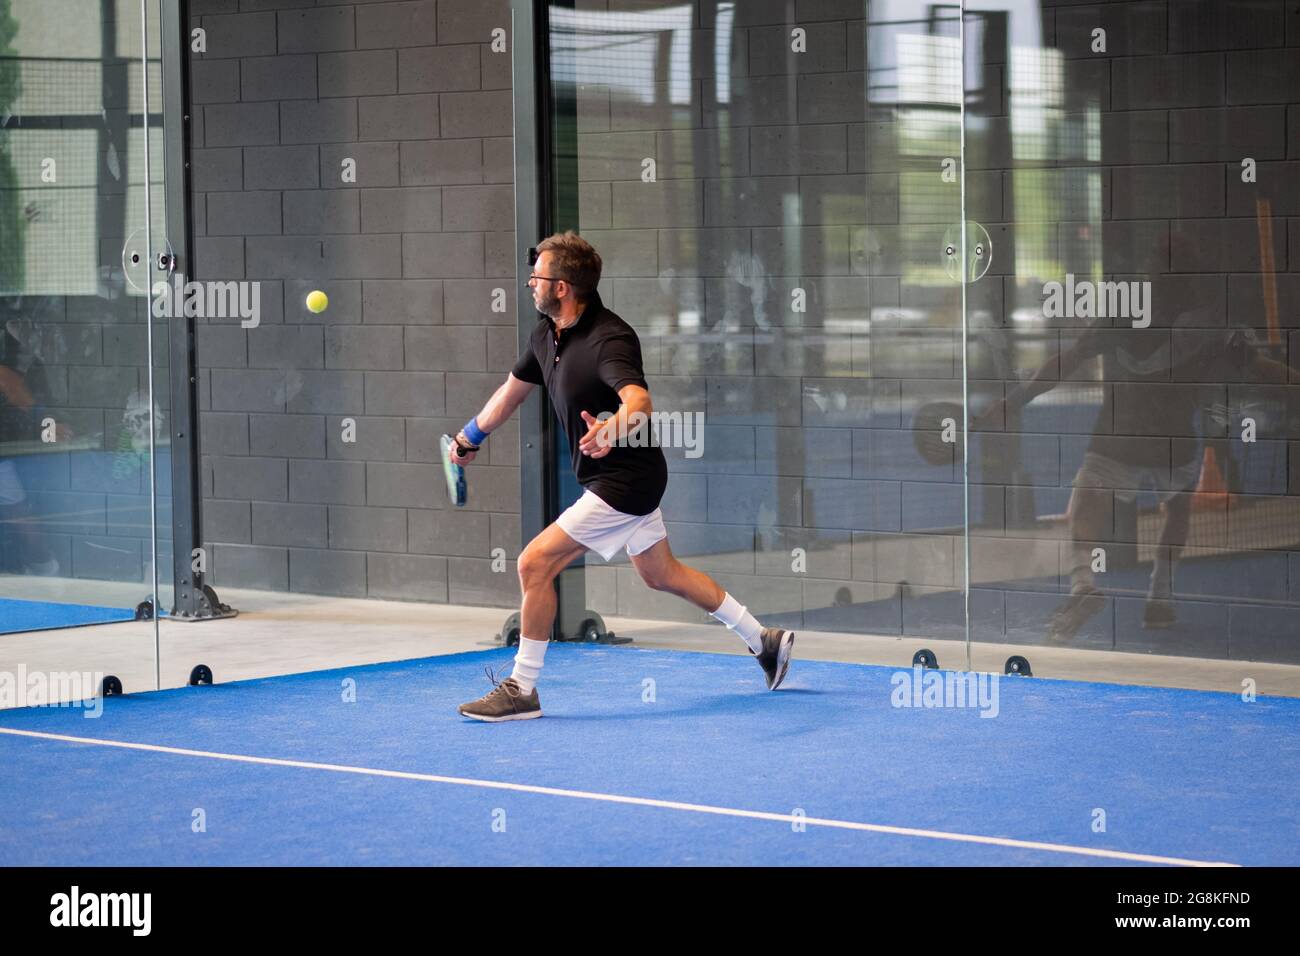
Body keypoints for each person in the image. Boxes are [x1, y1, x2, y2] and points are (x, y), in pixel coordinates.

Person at [452, 232, 794, 721]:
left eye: (538, 277)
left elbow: (639, 400)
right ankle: (763, 640)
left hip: (623, 482)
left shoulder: (608, 337)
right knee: (661, 574)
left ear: (564, 287)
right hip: (621, 479)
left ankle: (521, 688)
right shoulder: (545, 335)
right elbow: (510, 394)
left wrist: (614, 426)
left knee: (533, 564)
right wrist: (468, 438)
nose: (530, 284)